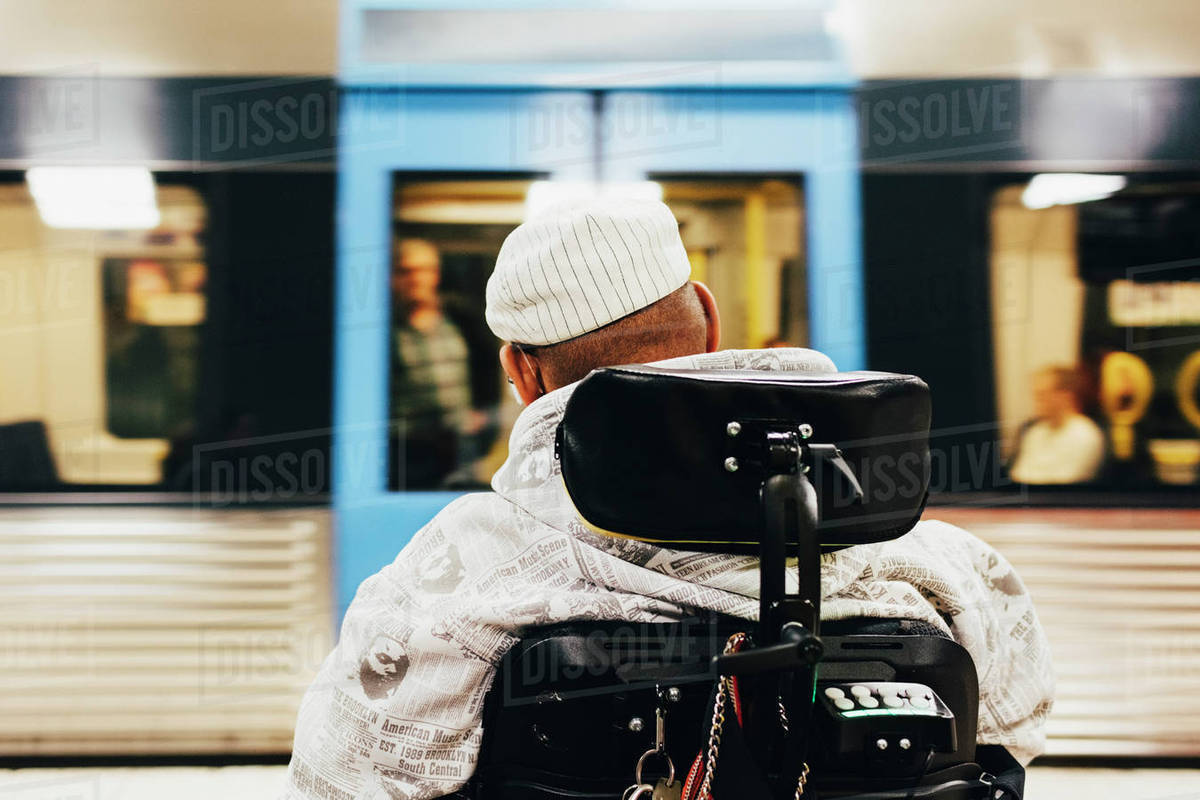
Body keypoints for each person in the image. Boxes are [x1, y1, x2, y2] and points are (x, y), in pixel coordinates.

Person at [284, 199, 1053, 800]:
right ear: (710, 319)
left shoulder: (455, 570)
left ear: (520, 372)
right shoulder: (944, 565)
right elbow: (1008, 743)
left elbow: (347, 779)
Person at [389, 238, 475, 489]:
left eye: (426, 270)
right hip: (407, 455)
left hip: (460, 449)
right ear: (392, 277)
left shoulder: (460, 318)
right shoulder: (384, 329)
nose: (417, 279)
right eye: (407, 271)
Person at [1009, 365, 1106, 485]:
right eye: (1035, 395)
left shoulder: (1085, 435)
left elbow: (1064, 484)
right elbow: (1018, 475)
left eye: (1042, 395)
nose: (1036, 400)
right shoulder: (1035, 432)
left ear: (1065, 396)